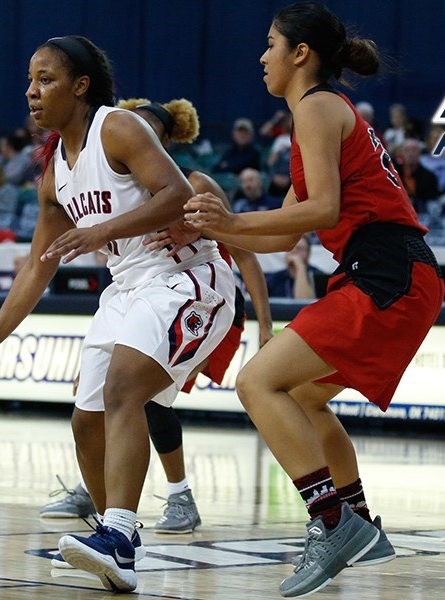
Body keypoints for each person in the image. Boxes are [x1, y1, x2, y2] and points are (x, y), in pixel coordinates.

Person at [0, 35, 234, 593]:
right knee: (85, 420)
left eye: (45, 79)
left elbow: (175, 194)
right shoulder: (55, 175)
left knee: (124, 391)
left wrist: (100, 231)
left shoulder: (118, 129)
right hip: (127, 288)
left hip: (186, 278)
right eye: (29, 80)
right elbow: (35, 269)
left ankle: (121, 535)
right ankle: (108, 539)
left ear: (80, 86)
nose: (31, 91)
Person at [184, 4, 445, 596]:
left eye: (271, 43)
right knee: (301, 395)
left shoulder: (317, 108)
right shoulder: (319, 113)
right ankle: (361, 523)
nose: (262, 56)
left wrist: (227, 217)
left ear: (301, 54)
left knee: (257, 382)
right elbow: (284, 231)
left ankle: (331, 522)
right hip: (392, 273)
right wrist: (214, 227)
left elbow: (323, 209)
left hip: (386, 273)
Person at [41, 96, 275, 540]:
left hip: (200, 292)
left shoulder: (192, 183)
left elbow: (244, 253)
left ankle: (170, 496)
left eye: (142, 130)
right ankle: (110, 499)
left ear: (161, 141)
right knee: (114, 401)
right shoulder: (111, 179)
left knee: (137, 395)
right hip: (142, 296)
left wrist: (266, 325)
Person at [265, 235, 321, 299]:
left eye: (299, 248)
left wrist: (300, 267)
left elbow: (303, 301)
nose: (294, 251)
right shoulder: (274, 279)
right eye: (290, 248)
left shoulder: (318, 276)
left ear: (308, 254)